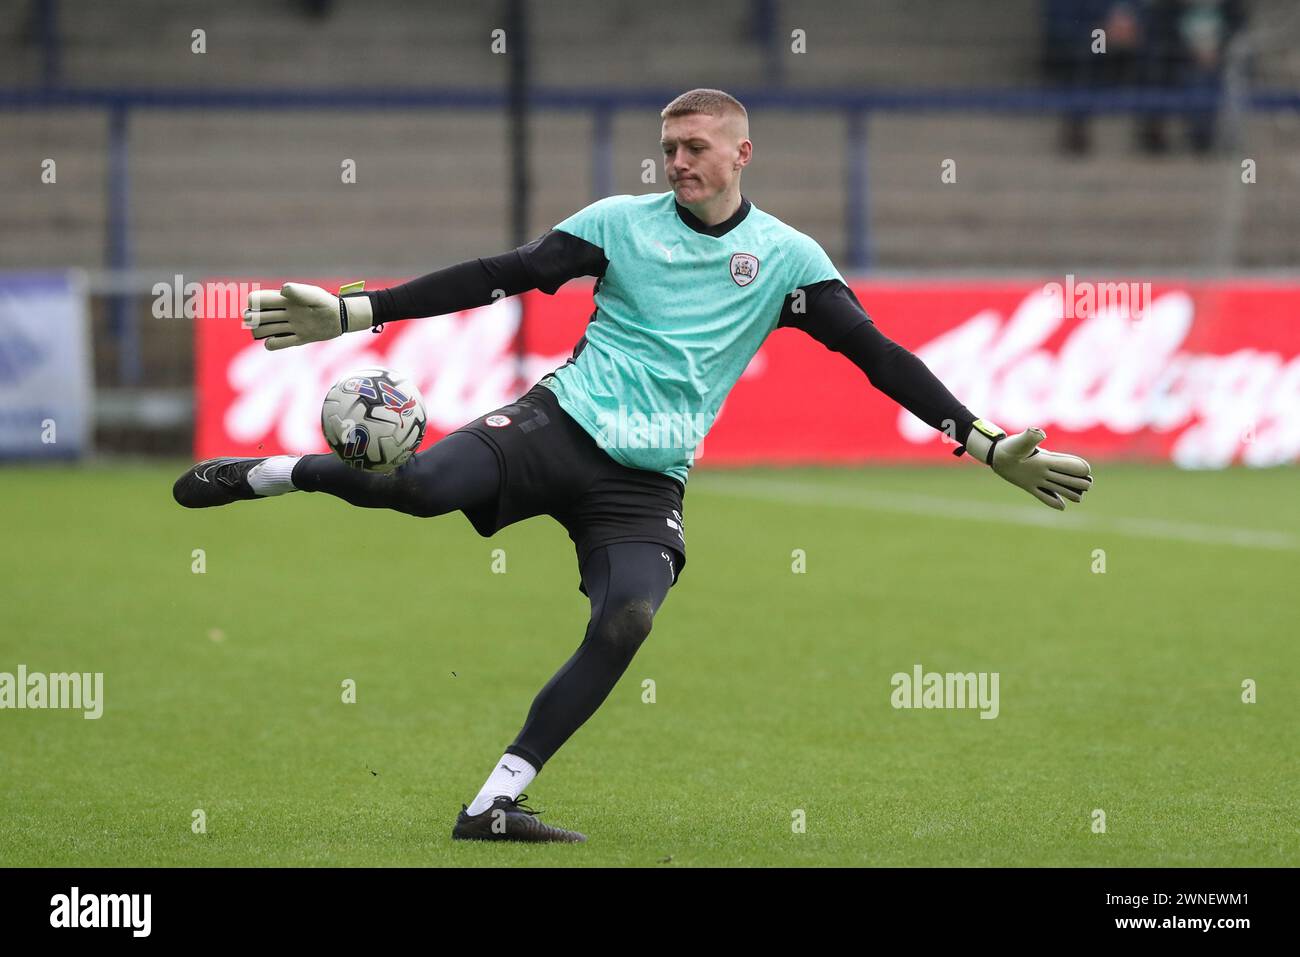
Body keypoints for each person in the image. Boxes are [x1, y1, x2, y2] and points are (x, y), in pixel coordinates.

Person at [172, 88, 1094, 843]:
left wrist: (979, 441)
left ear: (742, 154)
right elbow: (499, 272)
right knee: (417, 489)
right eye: (667, 148)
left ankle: (494, 801)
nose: (678, 162)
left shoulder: (786, 260)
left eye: (695, 146)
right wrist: (356, 309)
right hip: (557, 423)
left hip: (645, 479)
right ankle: (277, 472)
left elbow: (876, 353)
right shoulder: (618, 223)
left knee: (628, 619)